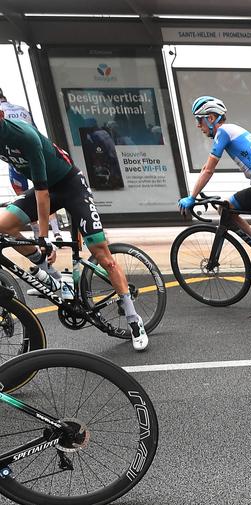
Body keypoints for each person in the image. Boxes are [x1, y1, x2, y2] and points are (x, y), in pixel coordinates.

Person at [0, 116, 148, 350]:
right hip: (46, 189)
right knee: (3, 225)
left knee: (101, 253)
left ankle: (133, 319)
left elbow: (43, 194)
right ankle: (52, 277)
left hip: (70, 185)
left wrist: (44, 238)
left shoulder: (23, 136)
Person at [180, 96, 251, 314]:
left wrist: (192, 197)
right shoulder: (229, 130)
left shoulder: (223, 132)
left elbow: (208, 169)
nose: (198, 125)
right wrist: (194, 193)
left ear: (212, 118)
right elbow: (207, 165)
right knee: (226, 208)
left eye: (200, 120)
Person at [0, 89, 63, 239]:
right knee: (44, 189)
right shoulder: (21, 109)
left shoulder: (3, 111)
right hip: (35, 151)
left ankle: (37, 234)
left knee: (25, 195)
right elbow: (34, 129)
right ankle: (56, 231)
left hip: (16, 157)